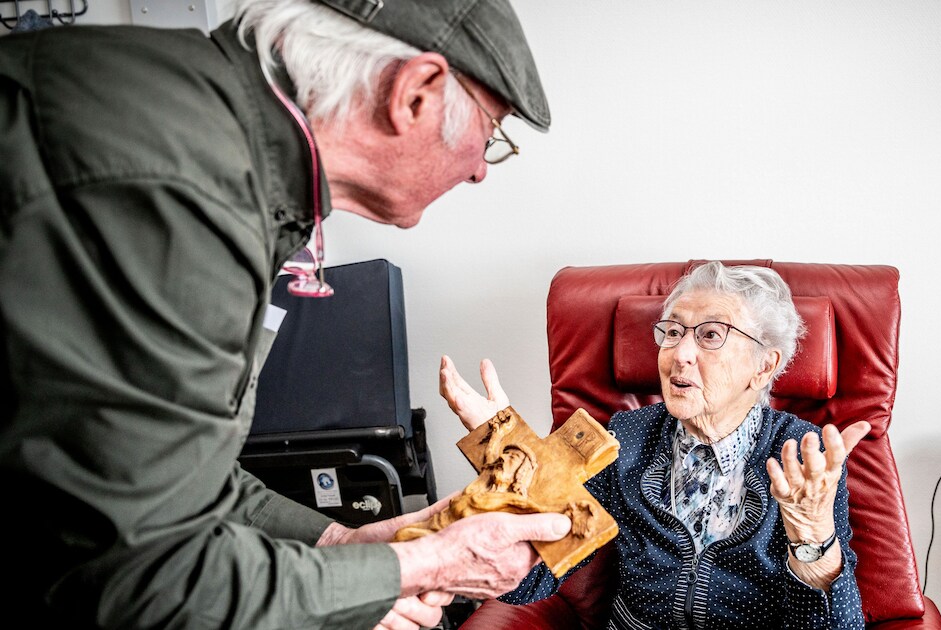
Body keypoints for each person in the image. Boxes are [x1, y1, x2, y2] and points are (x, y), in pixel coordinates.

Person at [0, 0, 571, 628]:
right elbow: (149, 577)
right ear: (414, 94)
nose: (478, 172)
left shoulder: (220, 149)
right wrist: (420, 567)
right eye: (489, 136)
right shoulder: (185, 194)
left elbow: (175, 483)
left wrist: (341, 547)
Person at [441, 261, 872, 628]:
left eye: (709, 335)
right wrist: (504, 451)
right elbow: (526, 580)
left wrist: (813, 539)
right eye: (672, 332)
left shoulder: (805, 458)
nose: (678, 353)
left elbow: (838, 625)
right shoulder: (624, 436)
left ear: (764, 366)